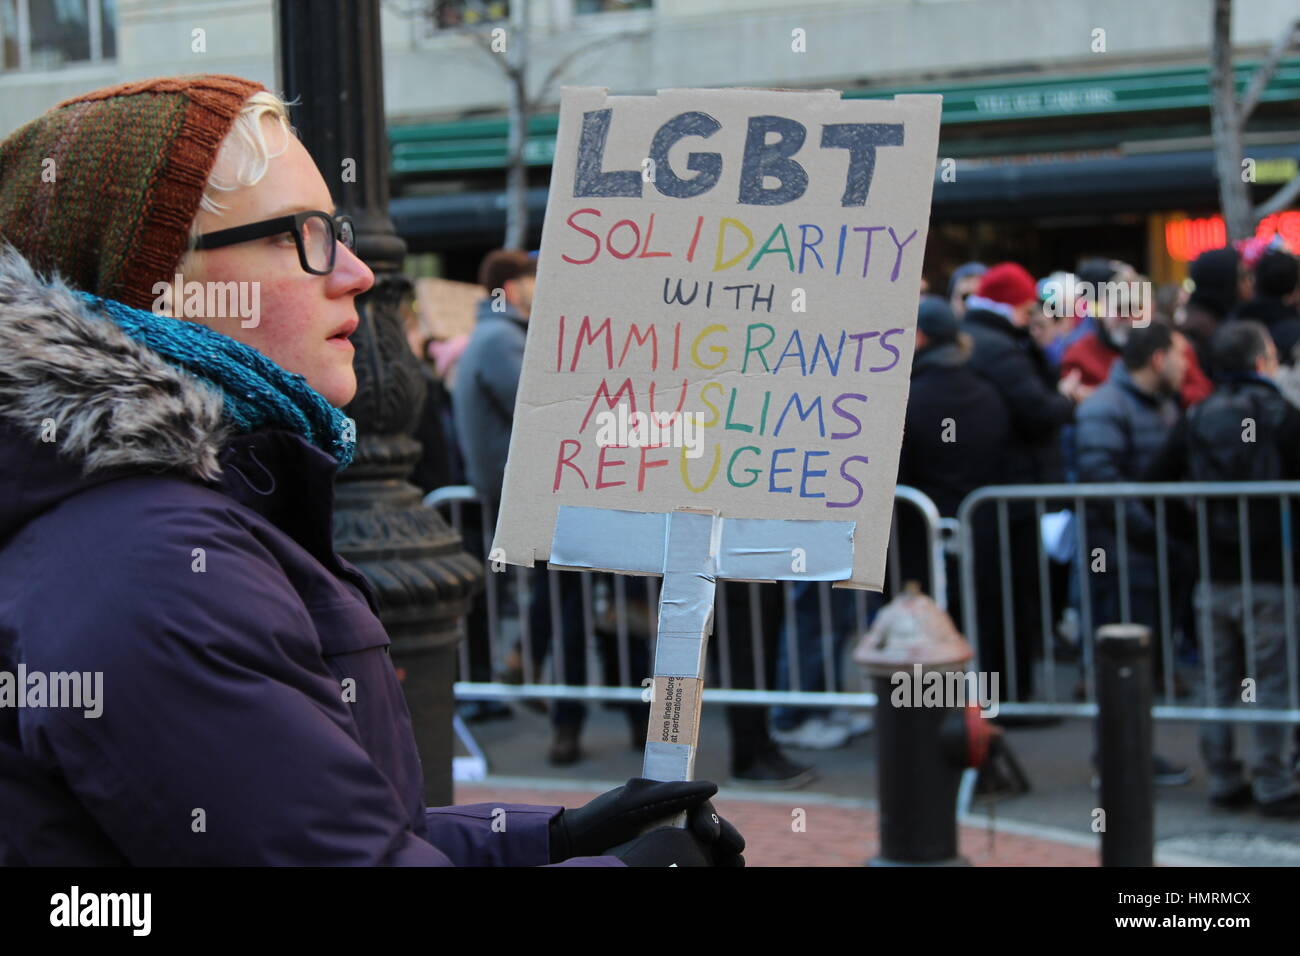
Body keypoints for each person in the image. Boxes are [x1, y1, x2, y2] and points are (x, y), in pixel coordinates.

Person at [0, 75, 743, 866]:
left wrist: (554, 840)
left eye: (341, 230)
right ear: (157, 281)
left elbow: (353, 832)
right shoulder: (155, 567)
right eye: (303, 234)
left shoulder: (160, 523)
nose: (359, 272)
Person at [1144, 320, 1300, 817]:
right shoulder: (1282, 414)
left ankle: (1224, 778)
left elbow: (1153, 483)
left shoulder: (1198, 415)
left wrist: (1192, 540)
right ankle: (1274, 781)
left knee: (1219, 680)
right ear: (1262, 362)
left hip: (1213, 572)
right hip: (1272, 572)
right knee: (1271, 680)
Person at [1073, 321, 1191, 786]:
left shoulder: (1161, 404)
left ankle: (1133, 755)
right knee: (1122, 666)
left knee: (1142, 667)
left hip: (1149, 557)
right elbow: (1103, 485)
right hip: (1122, 560)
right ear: (1159, 359)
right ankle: (1118, 762)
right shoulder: (1106, 407)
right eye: (1180, 356)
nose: (1186, 365)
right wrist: (1156, 536)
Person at [962, 262, 1082, 701]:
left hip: (998, 493)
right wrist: (1065, 398)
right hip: (1007, 496)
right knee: (1009, 603)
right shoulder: (1001, 348)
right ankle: (1011, 696)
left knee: (1003, 602)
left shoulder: (988, 341)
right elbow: (1039, 411)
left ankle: (1006, 693)